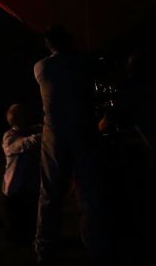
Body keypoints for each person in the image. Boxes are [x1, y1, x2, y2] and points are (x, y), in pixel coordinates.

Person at [34, 26, 110, 264]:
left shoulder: (41, 67)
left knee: (49, 192)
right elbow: (99, 69)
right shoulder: (83, 63)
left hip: (54, 134)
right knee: (88, 190)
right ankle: (96, 244)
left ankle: (44, 246)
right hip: (83, 132)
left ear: (48, 45)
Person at [1, 103, 42, 244]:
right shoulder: (9, 137)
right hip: (15, 191)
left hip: (30, 189)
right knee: (15, 232)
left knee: (30, 226)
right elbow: (26, 144)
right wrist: (47, 133)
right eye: (24, 114)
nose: (29, 116)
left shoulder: (31, 131)